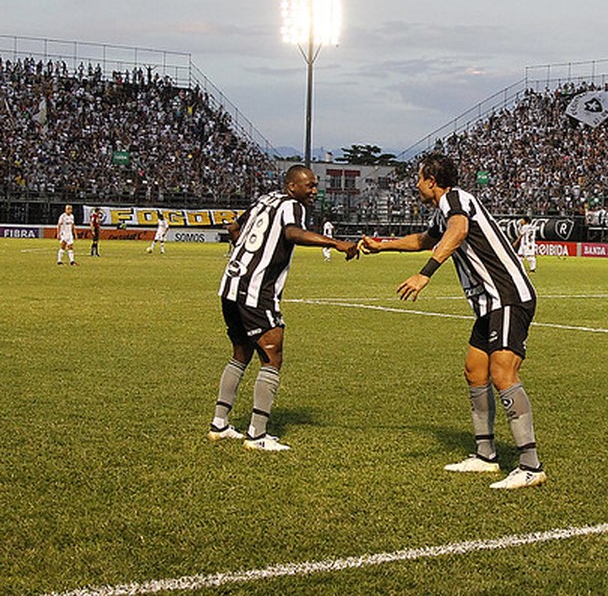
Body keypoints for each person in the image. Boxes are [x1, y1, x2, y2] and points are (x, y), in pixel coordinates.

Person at [361, 153, 546, 490]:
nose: (416, 184)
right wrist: (382, 246)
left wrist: (424, 274)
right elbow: (424, 240)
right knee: (475, 371)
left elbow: (458, 232)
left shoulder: (457, 199)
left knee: (503, 373)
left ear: (432, 180)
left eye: (419, 178)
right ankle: (485, 455)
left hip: (507, 295)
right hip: (489, 303)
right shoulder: (444, 208)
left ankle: (530, 465)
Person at [208, 165, 360, 451]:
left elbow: (233, 228)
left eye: (315, 185)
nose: (314, 191)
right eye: (309, 186)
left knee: (240, 354)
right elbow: (292, 233)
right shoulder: (292, 205)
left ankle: (220, 424)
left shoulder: (265, 199)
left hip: (230, 284)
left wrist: (245, 251)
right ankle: (257, 435)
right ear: (292, 186)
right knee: (272, 356)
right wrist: (336, 243)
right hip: (256, 292)